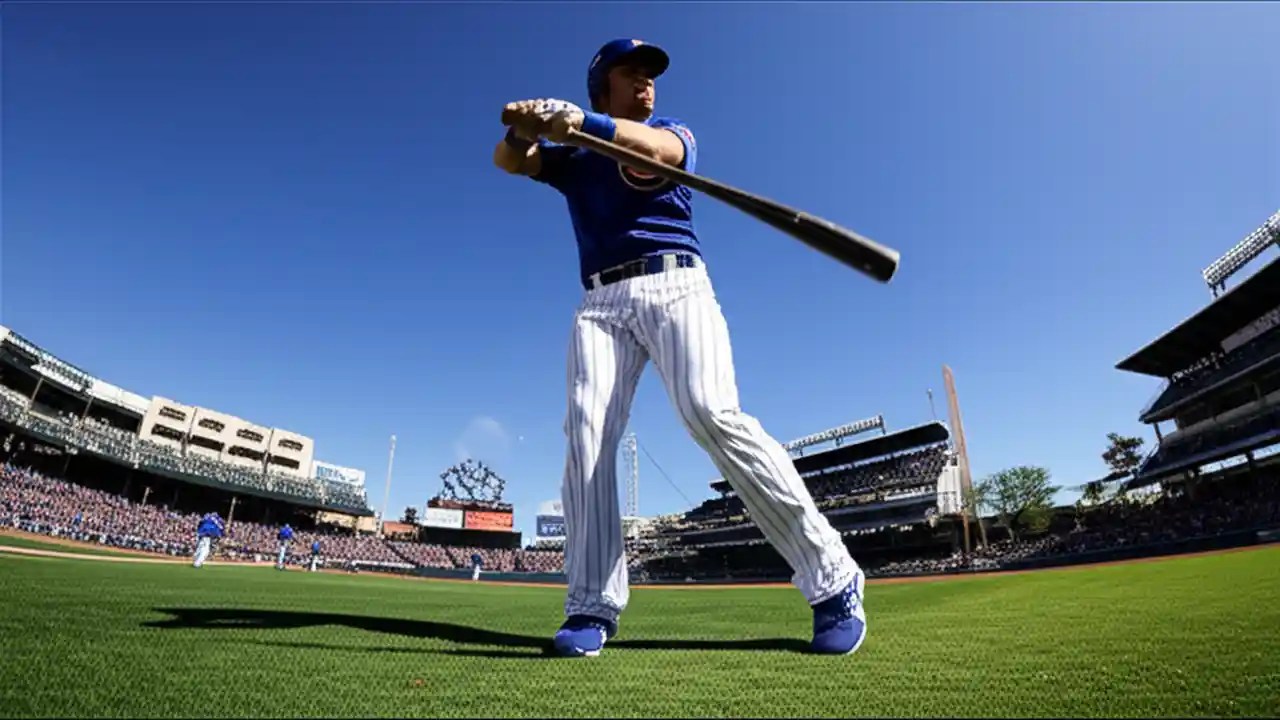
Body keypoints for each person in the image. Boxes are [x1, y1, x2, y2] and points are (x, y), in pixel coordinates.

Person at [494, 38, 866, 658]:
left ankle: (833, 579)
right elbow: (511, 162)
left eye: (649, 77)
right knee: (586, 437)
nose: (645, 85)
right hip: (600, 303)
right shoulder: (573, 160)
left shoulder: (670, 132)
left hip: (676, 286)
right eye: (630, 74)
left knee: (709, 412)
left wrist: (580, 122)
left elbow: (654, 153)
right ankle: (591, 605)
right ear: (601, 84)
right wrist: (525, 129)